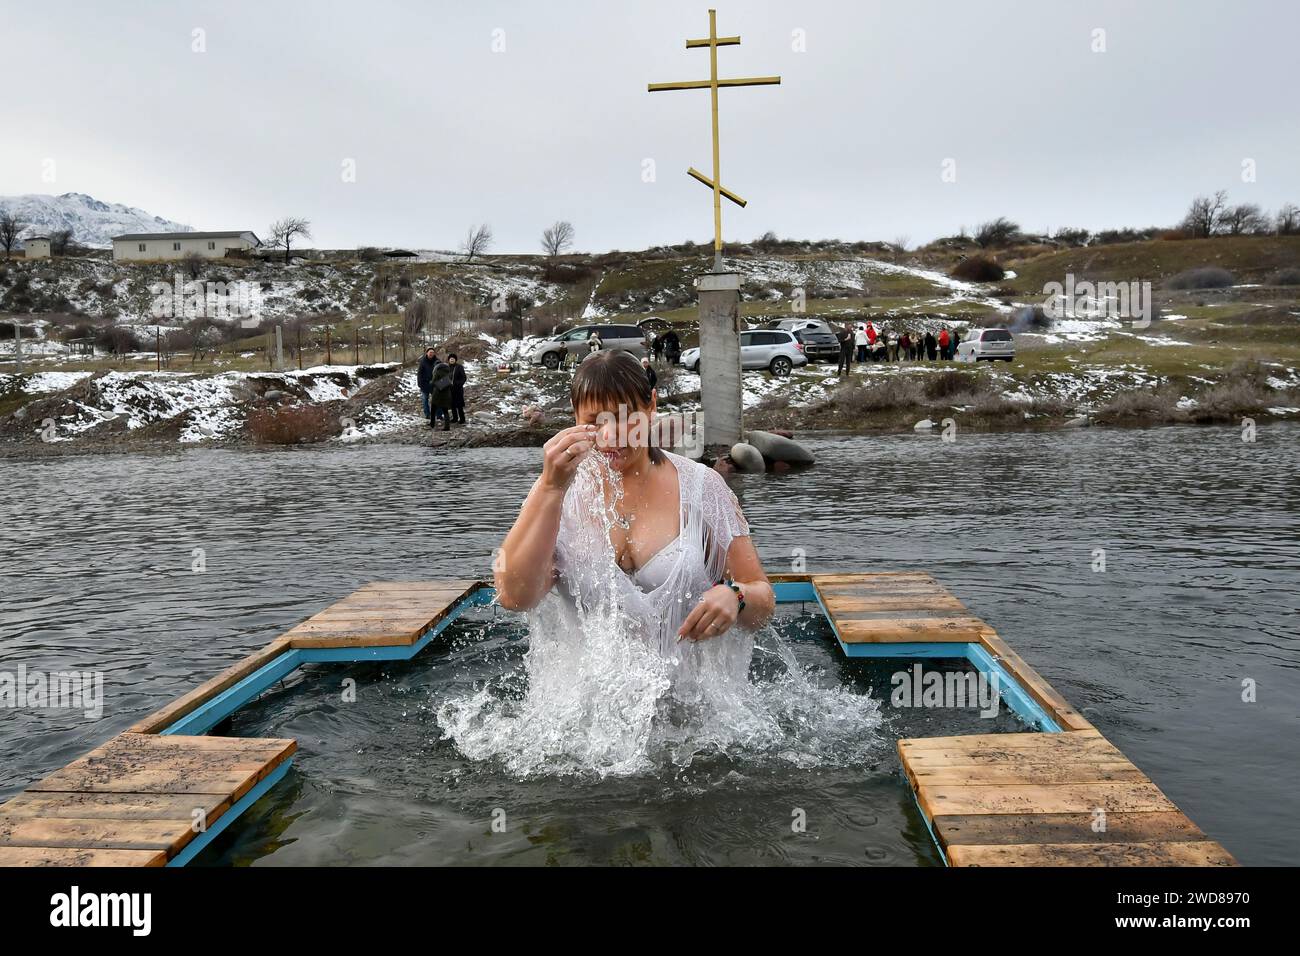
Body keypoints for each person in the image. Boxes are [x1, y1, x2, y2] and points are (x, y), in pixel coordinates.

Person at [493, 350, 775, 690]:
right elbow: (514, 597)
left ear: (651, 405)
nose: (611, 436)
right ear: (575, 416)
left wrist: (735, 595)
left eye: (625, 417)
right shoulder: (559, 496)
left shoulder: (701, 488)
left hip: (694, 722)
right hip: (585, 725)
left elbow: (763, 602)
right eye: (595, 420)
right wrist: (550, 487)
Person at [429, 352, 452, 431]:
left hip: (437, 393)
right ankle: (447, 426)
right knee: (445, 411)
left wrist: (431, 382)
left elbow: (433, 381)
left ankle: (432, 424)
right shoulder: (448, 371)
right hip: (446, 394)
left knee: (433, 410)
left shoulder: (437, 371)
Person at [416, 347, 436, 419]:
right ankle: (427, 414)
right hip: (424, 384)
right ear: (427, 353)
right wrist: (419, 383)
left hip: (434, 384)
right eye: (430, 352)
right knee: (425, 399)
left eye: (432, 352)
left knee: (437, 400)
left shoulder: (437, 361)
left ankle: (438, 414)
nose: (431, 354)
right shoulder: (423, 361)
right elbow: (419, 373)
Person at [448, 352, 467, 424]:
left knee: (459, 405)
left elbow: (464, 378)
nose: (452, 360)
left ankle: (462, 419)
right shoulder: (447, 367)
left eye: (453, 359)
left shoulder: (459, 367)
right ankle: (455, 418)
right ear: (449, 360)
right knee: (452, 404)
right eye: (450, 359)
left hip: (458, 389)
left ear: (455, 360)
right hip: (450, 389)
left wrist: (458, 384)